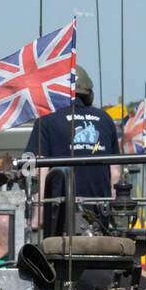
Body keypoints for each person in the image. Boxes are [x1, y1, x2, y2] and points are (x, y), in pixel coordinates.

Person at [32, 66, 120, 227]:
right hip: (99, 219)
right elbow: (115, 173)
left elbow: (40, 171)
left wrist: (38, 217)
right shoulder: (106, 119)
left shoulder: (46, 120)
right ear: (89, 94)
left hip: (59, 219)